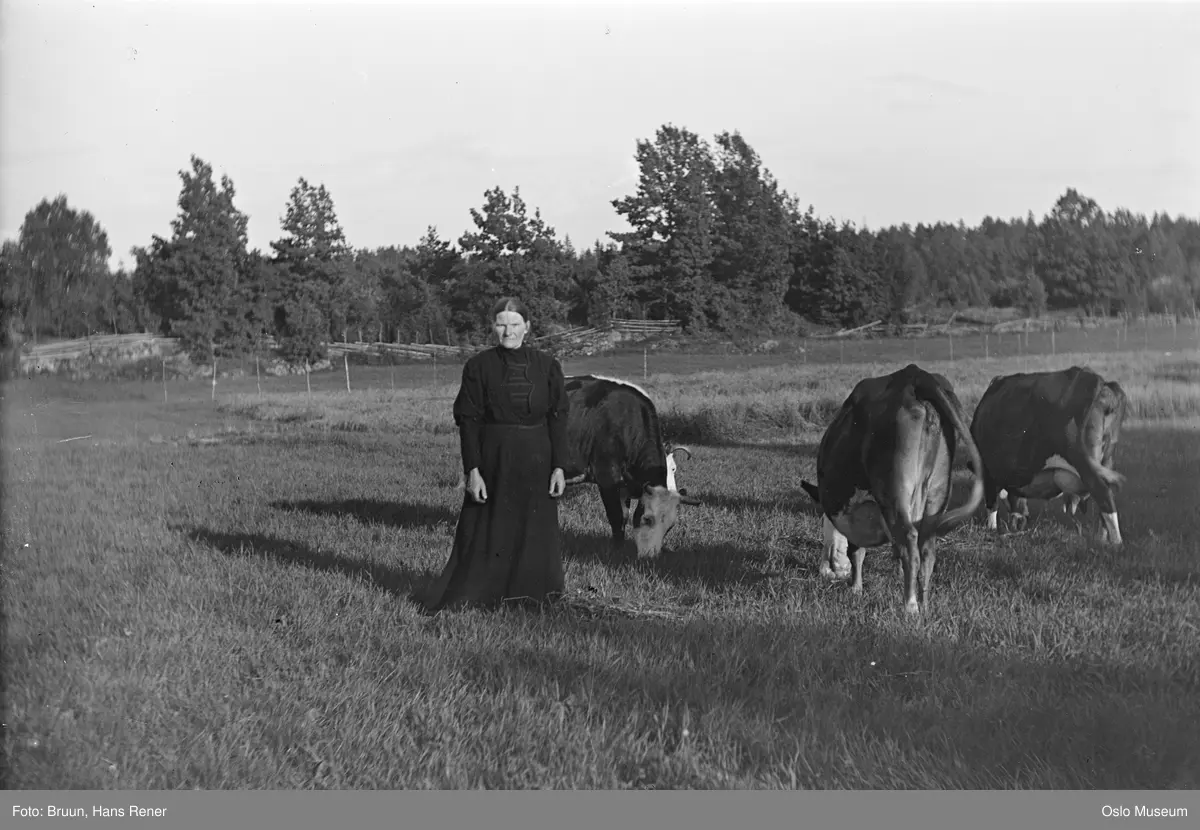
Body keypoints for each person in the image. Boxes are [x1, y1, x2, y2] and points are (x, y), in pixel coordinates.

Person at [422, 297, 571, 612]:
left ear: (527, 327)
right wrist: (472, 470)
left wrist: (560, 467)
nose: (508, 331)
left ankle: (532, 598)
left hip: (538, 459)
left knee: (535, 530)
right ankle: (481, 595)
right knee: (488, 528)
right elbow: (468, 420)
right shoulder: (478, 367)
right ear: (492, 327)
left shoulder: (548, 366)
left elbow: (558, 418)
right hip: (493, 458)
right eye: (501, 324)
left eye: (515, 324)